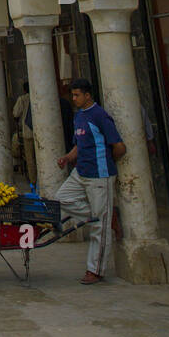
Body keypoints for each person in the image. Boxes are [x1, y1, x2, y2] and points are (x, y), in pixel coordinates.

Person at [56, 78, 126, 284]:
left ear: (88, 95)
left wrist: (104, 161)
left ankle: (95, 270)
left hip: (99, 175)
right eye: (73, 95)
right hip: (80, 172)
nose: (74, 98)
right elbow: (79, 144)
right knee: (61, 199)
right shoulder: (79, 116)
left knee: (99, 228)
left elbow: (119, 146)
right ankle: (104, 217)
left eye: (77, 95)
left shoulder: (100, 116)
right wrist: (68, 157)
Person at [13, 81, 37, 186]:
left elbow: (16, 113)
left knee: (30, 157)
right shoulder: (37, 95)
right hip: (41, 131)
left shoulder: (22, 99)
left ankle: (33, 181)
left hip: (28, 131)